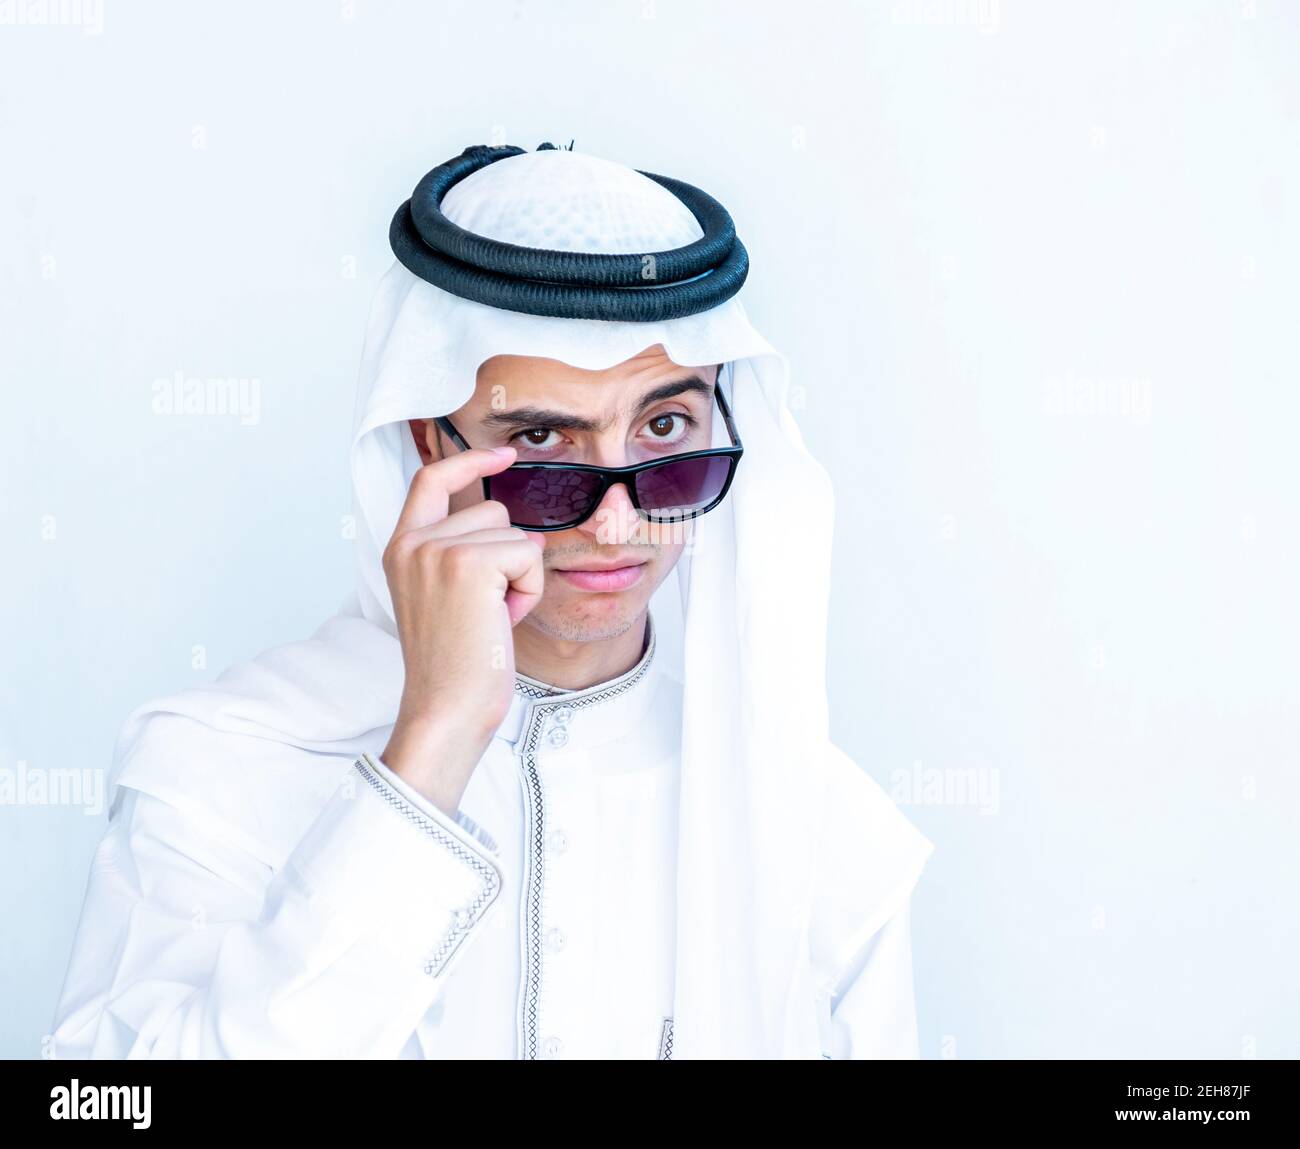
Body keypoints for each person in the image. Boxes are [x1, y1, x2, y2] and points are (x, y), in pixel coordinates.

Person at [49, 142, 936, 1060]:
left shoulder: (826, 832)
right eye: (545, 438)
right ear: (433, 443)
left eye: (666, 427)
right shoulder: (216, 773)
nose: (620, 521)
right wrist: (430, 747)